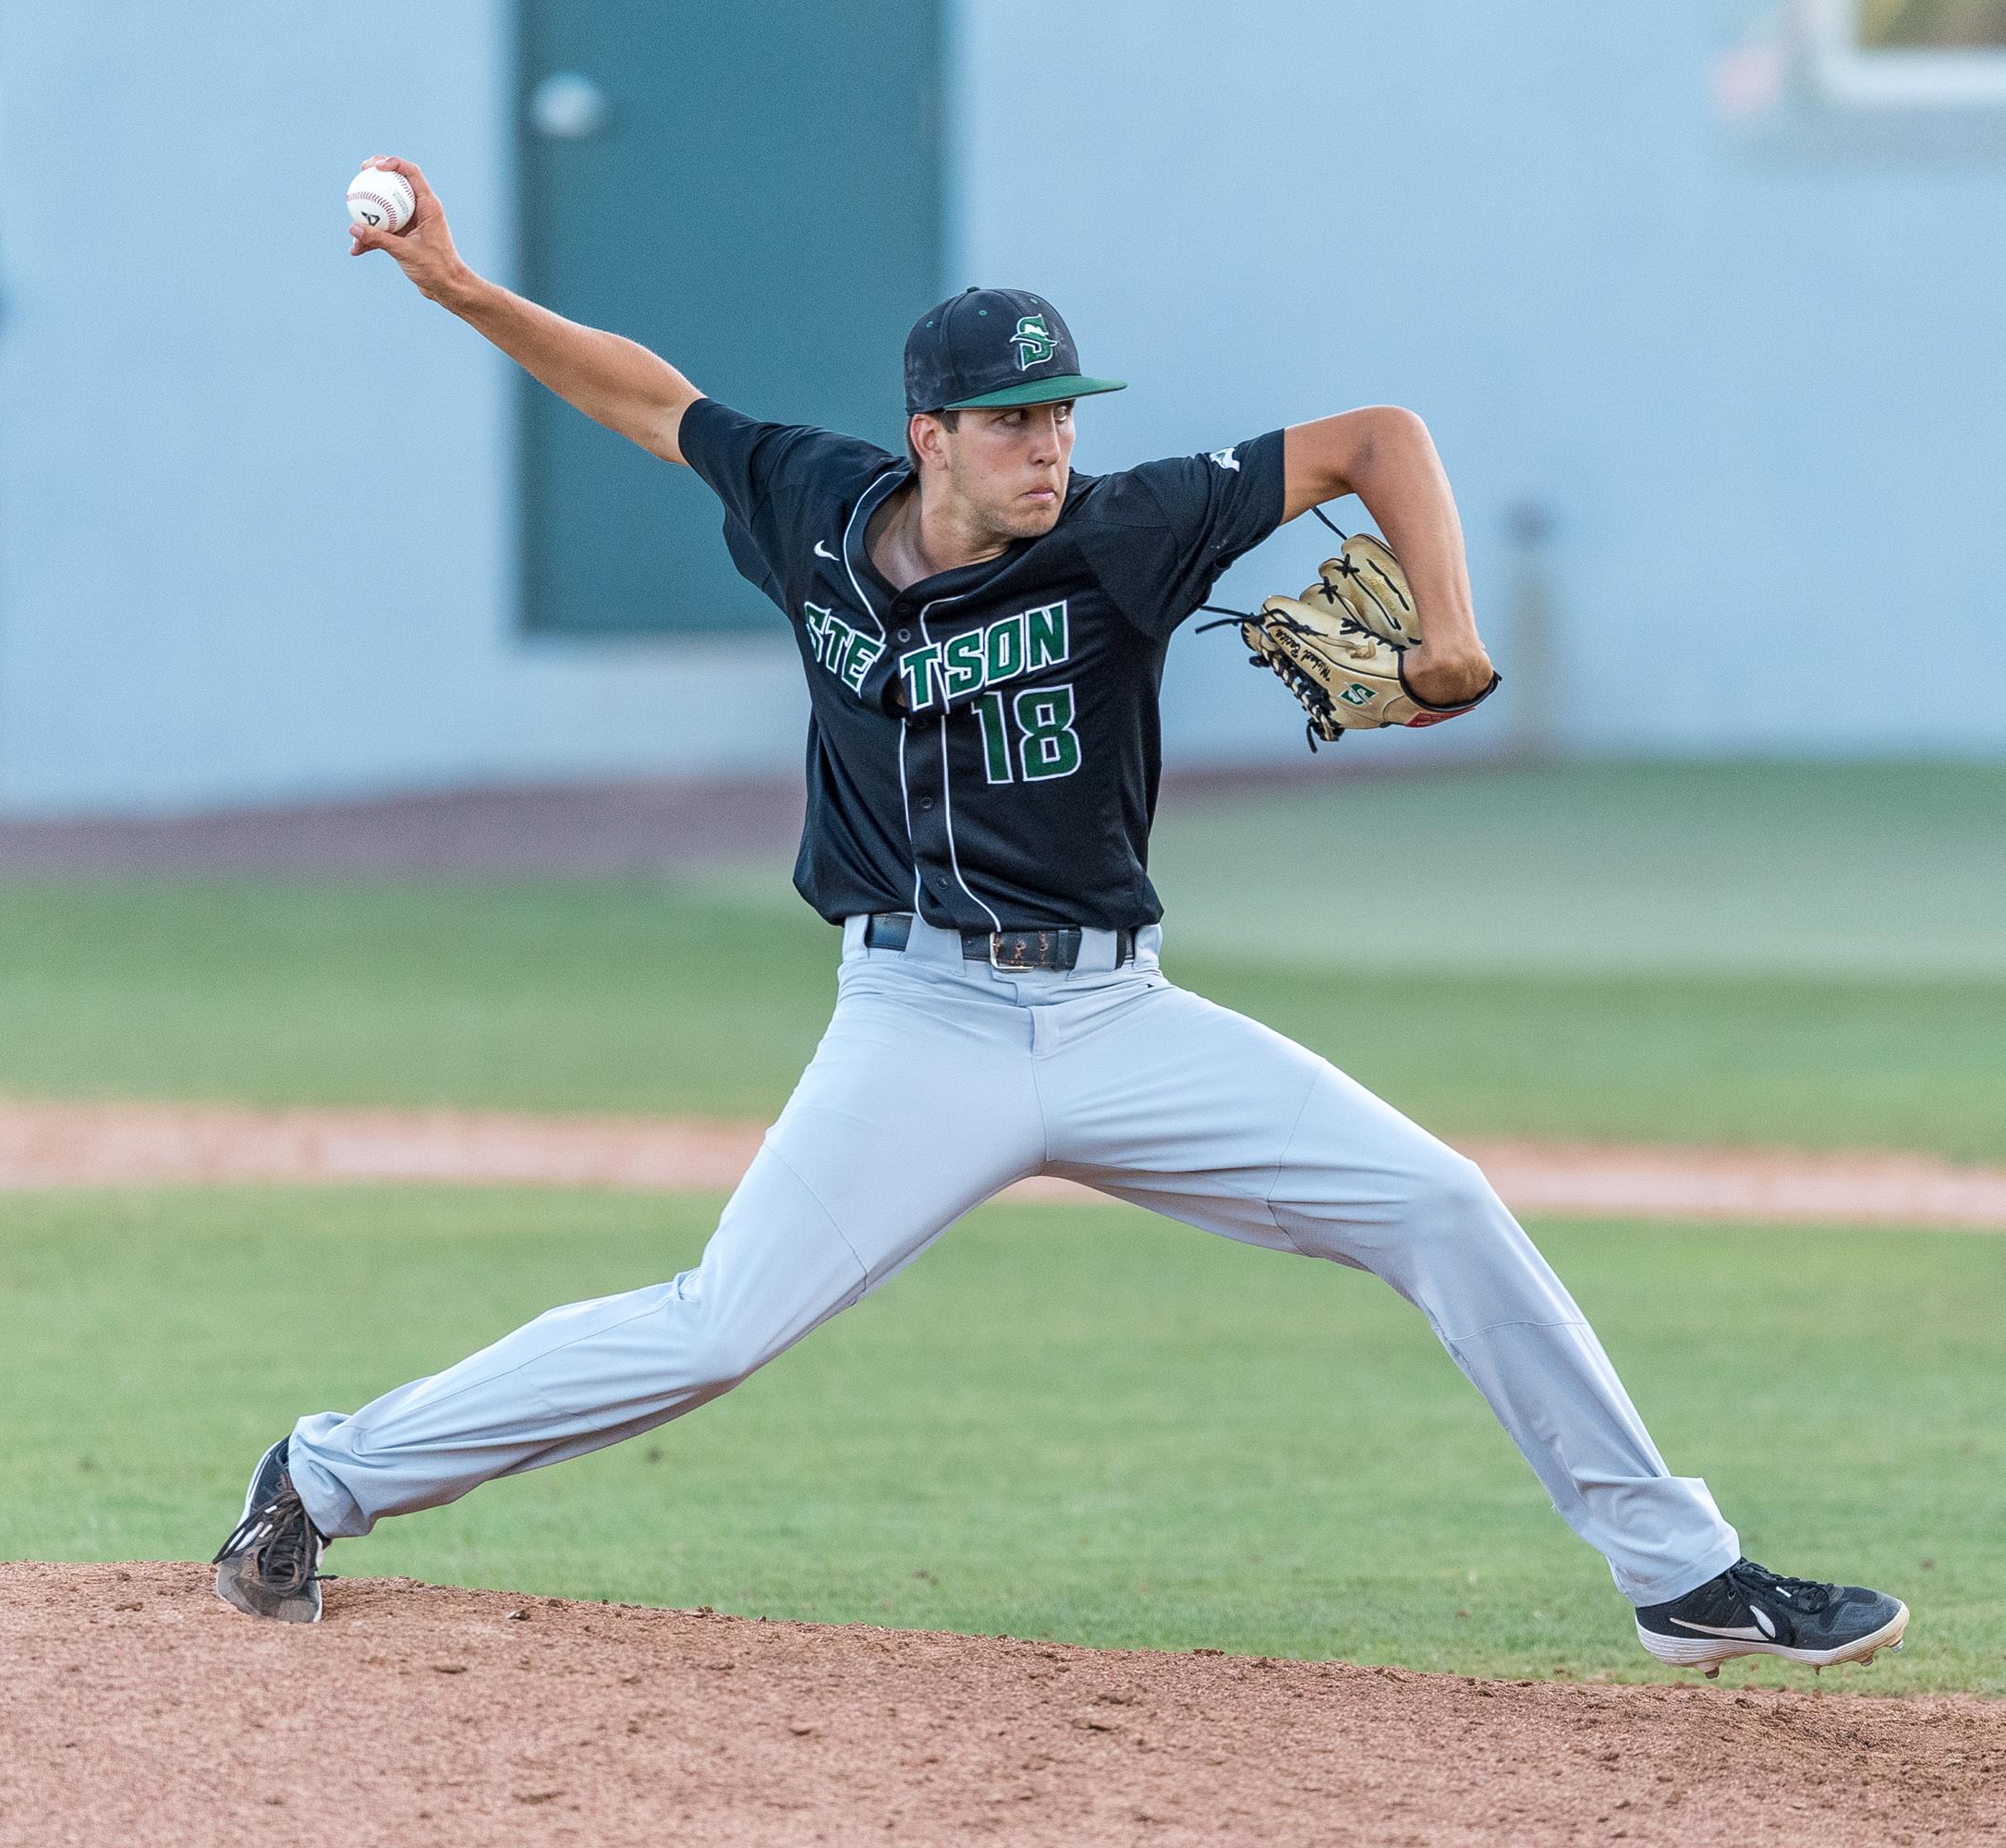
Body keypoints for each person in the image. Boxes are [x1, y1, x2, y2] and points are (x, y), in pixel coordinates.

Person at [213, 155, 1909, 1679]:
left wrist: (1452, 633)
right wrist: (456, 288)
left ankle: (1681, 1577)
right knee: (716, 1327)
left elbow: (1380, 441)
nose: (1053, 447)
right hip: (917, 1028)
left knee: (1442, 1206)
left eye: (1064, 414)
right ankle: (322, 1474)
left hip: (1119, 1023)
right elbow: (646, 402)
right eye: (1017, 420)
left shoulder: (1125, 533)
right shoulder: (811, 506)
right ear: (929, 437)